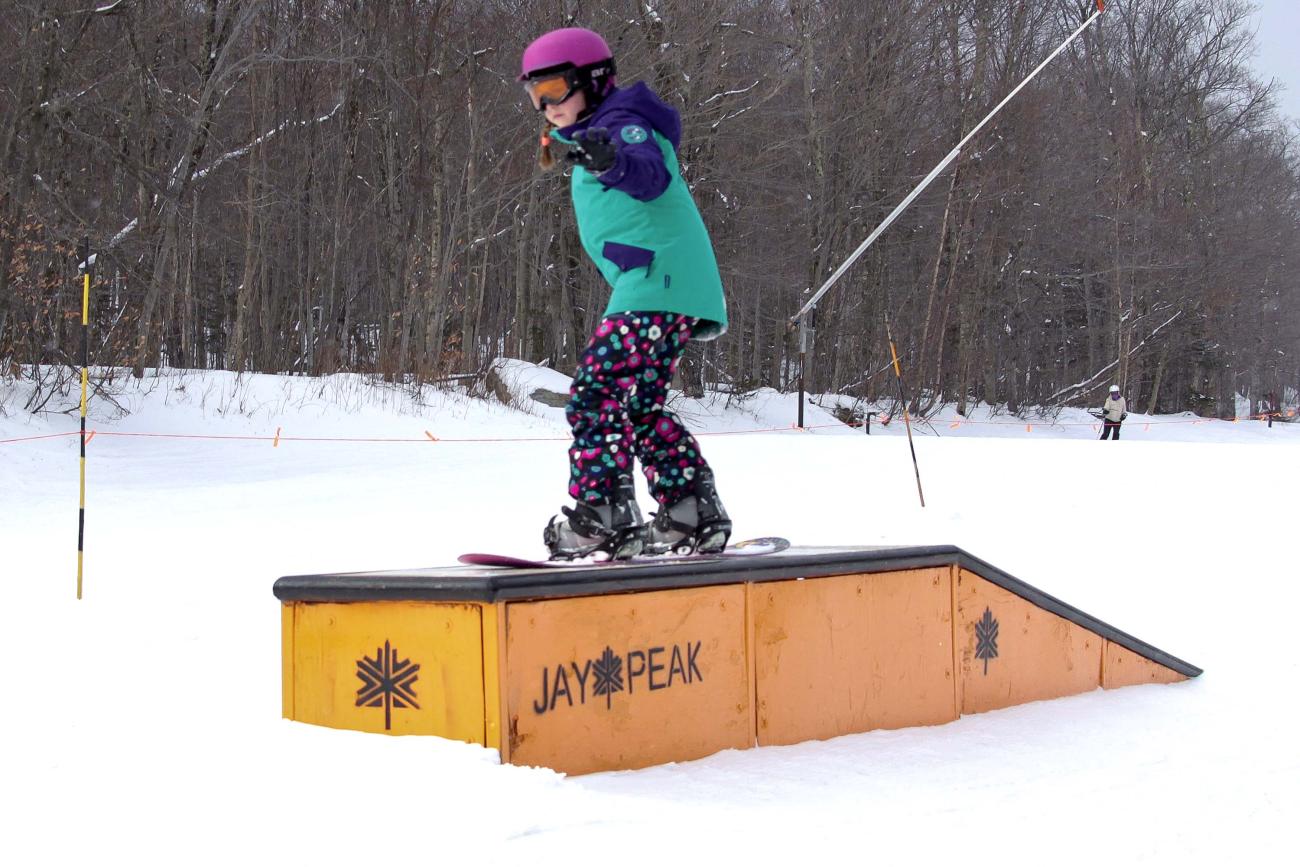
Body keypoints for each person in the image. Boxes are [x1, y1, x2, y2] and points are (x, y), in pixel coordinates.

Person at [519, 27, 731, 560]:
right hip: (667, 282)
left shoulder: (623, 124)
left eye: (555, 89)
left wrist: (610, 160)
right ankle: (690, 510)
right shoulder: (602, 129)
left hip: (656, 281)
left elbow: (649, 177)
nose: (546, 106)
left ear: (592, 80)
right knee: (639, 406)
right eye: (535, 94)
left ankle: (602, 514)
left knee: (595, 393)